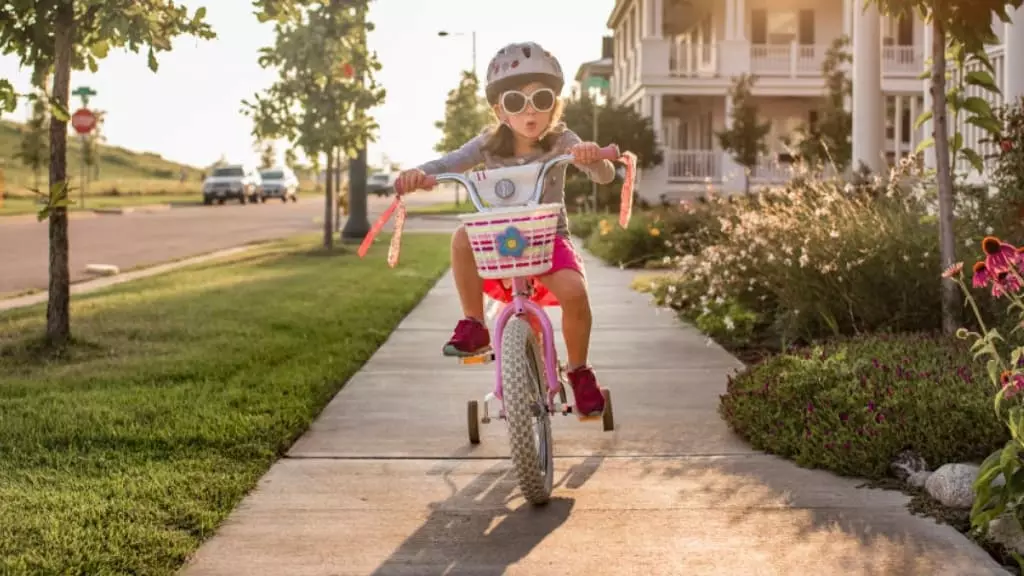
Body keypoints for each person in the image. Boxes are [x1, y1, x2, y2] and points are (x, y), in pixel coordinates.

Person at [395, 41, 615, 417]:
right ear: (500, 110)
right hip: (499, 239)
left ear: (555, 104)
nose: (530, 111)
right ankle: (474, 323)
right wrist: (419, 175)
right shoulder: (487, 145)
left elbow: (605, 175)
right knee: (463, 237)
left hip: (548, 239)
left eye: (541, 99)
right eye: (516, 102)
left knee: (576, 295)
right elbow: (450, 162)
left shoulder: (563, 141)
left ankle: (578, 372)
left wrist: (592, 159)